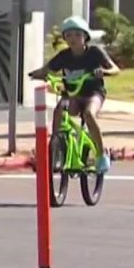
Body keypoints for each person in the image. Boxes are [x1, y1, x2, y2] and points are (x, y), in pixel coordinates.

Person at [30, 15, 120, 174]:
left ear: (85, 36)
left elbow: (115, 69)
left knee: (88, 114)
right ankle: (56, 148)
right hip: (72, 94)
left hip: (93, 93)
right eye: (69, 35)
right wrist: (34, 74)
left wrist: (103, 72)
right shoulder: (64, 56)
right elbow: (47, 70)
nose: (73, 39)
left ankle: (101, 154)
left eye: (78, 35)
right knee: (59, 112)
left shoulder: (94, 52)